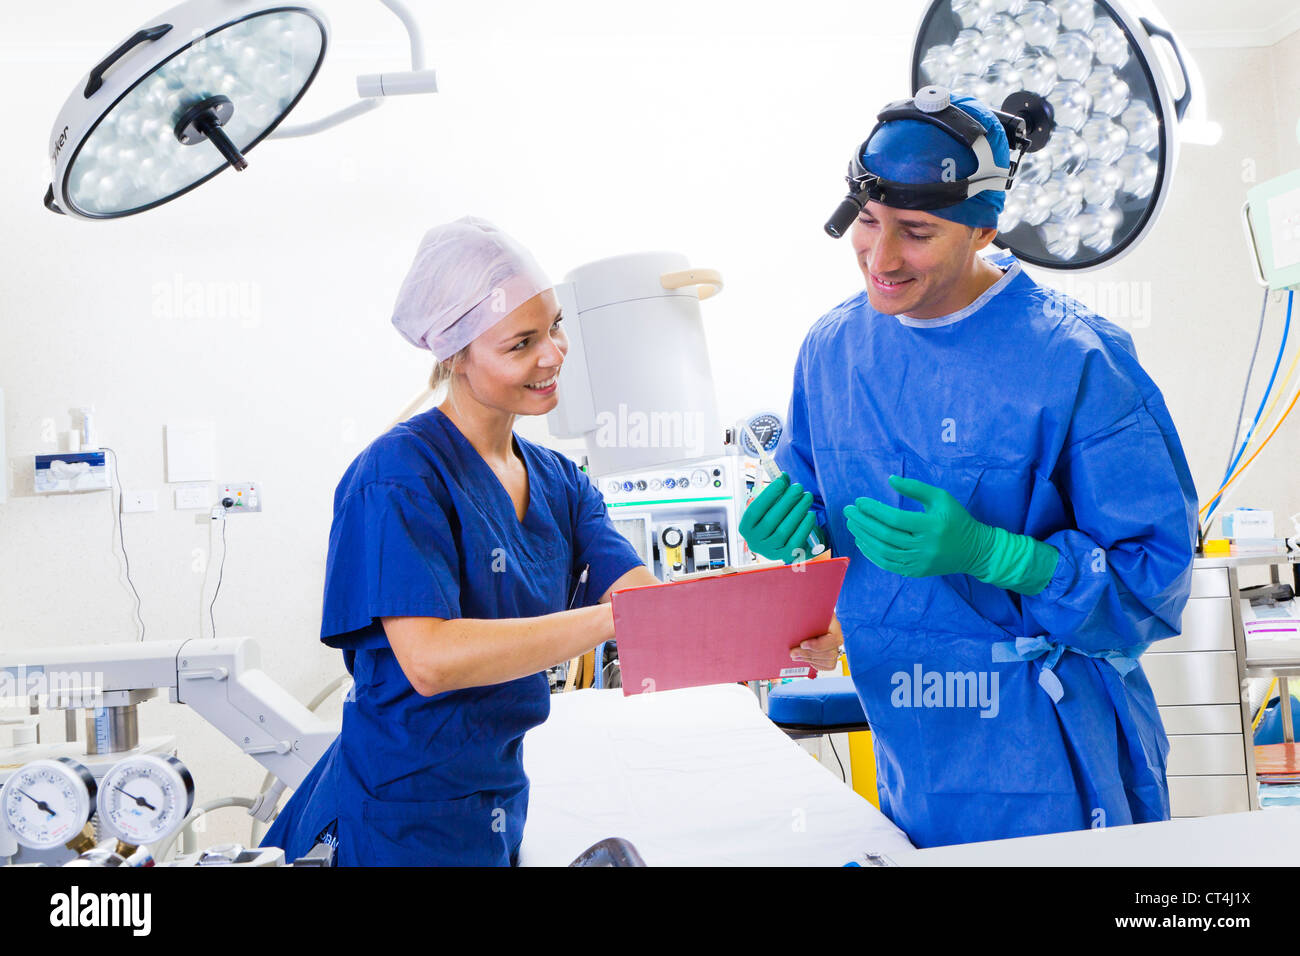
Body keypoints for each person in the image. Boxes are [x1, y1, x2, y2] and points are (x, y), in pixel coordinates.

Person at [739, 91, 1198, 849]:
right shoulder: (832, 353)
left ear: (983, 228)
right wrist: (796, 538)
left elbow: (1154, 583)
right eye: (867, 222)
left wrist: (998, 555)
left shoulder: (1075, 357)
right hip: (913, 755)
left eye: (916, 231)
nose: (881, 259)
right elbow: (824, 517)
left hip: (1051, 753)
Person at [261, 216, 660, 866]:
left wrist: (790, 619)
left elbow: (647, 604)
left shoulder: (560, 481)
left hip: (497, 790)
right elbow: (432, 659)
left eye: (556, 325)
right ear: (455, 354)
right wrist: (612, 620)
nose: (554, 354)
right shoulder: (397, 478)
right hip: (405, 809)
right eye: (521, 343)